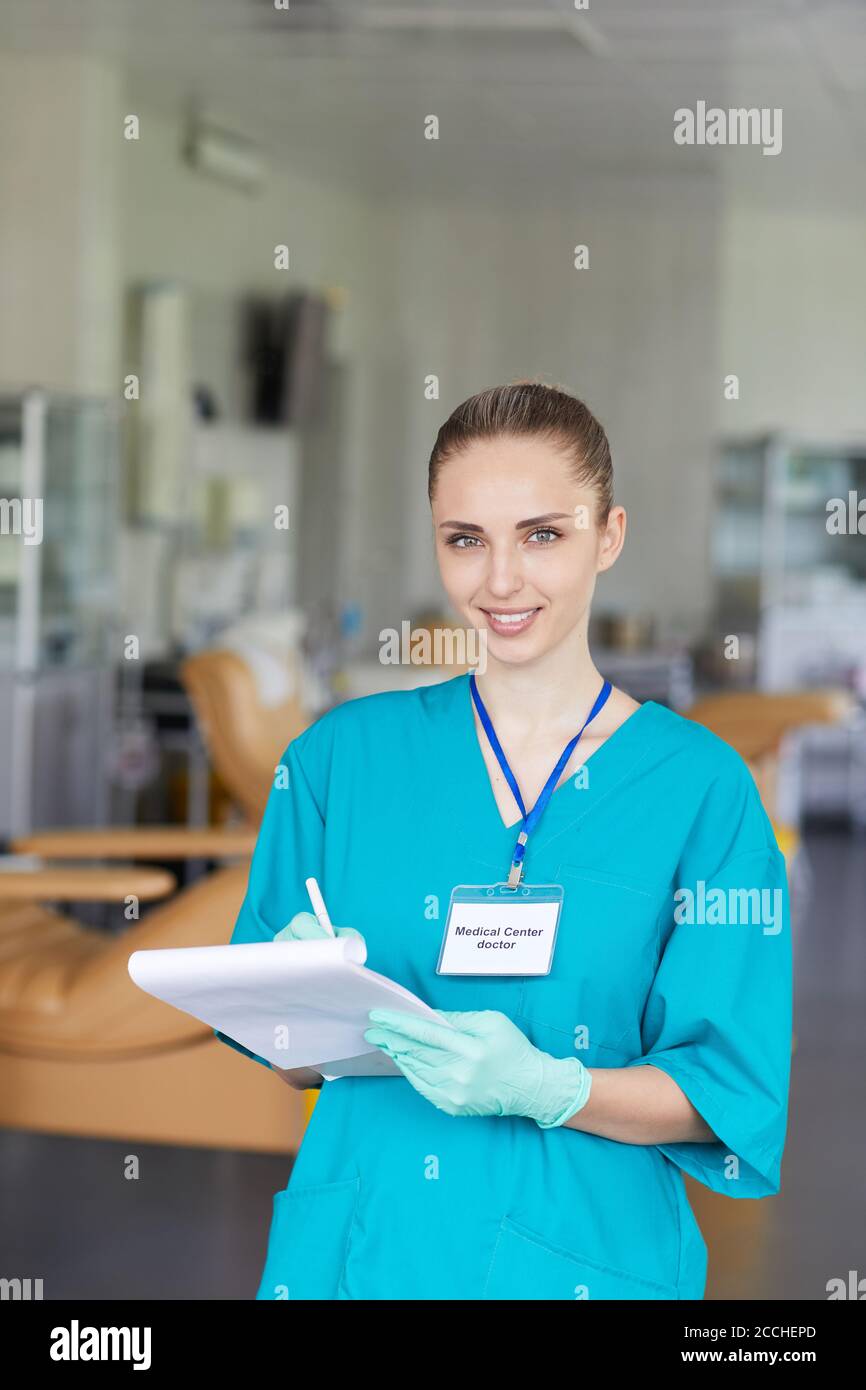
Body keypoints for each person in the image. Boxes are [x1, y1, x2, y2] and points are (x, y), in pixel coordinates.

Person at [215, 381, 793, 1301]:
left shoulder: (700, 790)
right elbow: (288, 1063)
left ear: (608, 536)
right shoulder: (338, 761)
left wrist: (554, 1086)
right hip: (365, 1248)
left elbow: (728, 1092)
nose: (501, 581)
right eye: (466, 540)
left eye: (543, 535)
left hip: (586, 1258)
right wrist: (297, 1005)